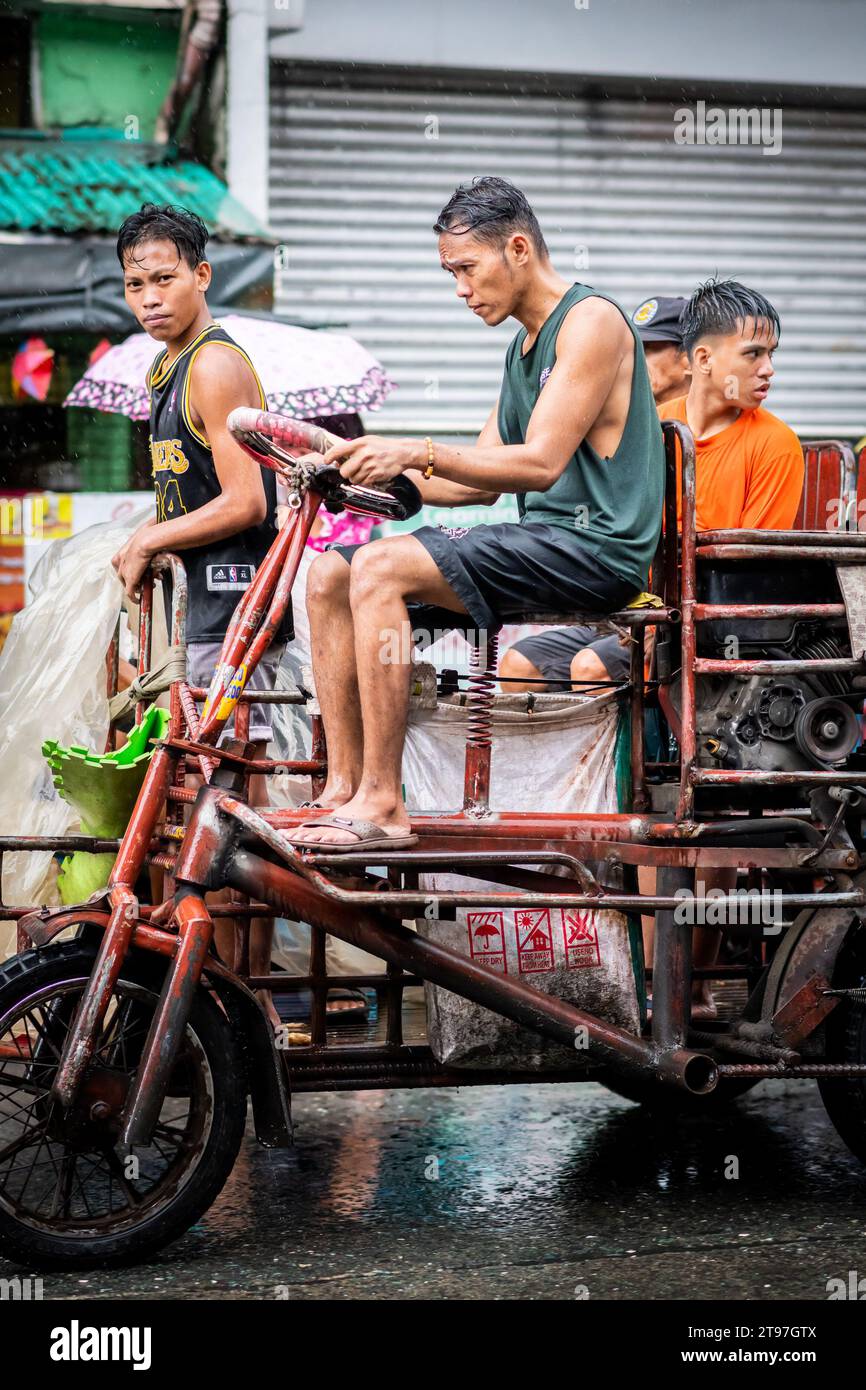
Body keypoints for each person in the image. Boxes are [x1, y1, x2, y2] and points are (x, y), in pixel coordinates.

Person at [286, 175, 664, 850]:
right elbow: (477, 485)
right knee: (329, 574)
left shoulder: (592, 323)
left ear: (517, 248)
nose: (460, 288)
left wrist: (417, 448)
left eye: (466, 268)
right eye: (449, 273)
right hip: (542, 540)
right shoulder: (520, 350)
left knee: (378, 567)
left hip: (598, 551)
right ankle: (344, 788)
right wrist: (362, 470)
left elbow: (540, 463)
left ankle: (384, 801)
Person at [111, 201, 291, 1026]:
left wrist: (154, 537)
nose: (148, 297)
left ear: (202, 275)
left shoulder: (215, 366)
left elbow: (248, 499)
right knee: (194, 807)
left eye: (163, 278)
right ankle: (209, 998)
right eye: (133, 284)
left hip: (236, 619)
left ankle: (244, 1006)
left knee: (226, 811)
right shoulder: (165, 369)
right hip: (201, 622)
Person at [500, 294, 690, 695]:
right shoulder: (632, 423)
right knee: (517, 664)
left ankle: (619, 760)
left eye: (653, 349)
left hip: (665, 605)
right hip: (612, 600)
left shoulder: (683, 434)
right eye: (639, 345)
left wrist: (660, 609)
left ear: (691, 358)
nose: (639, 357)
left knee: (589, 666)